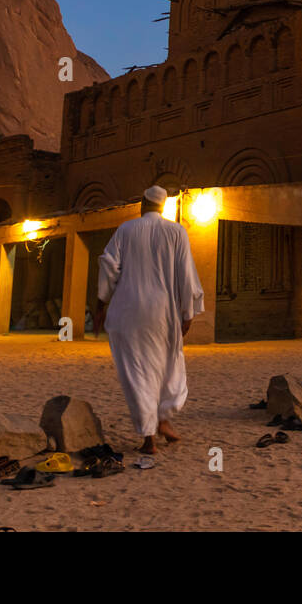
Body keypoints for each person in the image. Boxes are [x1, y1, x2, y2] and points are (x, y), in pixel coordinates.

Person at [96, 186, 205, 455]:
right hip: (163, 312)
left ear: (142, 204)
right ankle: (162, 420)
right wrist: (188, 312)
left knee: (138, 372)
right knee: (168, 365)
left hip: (128, 311)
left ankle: (151, 436)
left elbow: (109, 266)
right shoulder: (177, 231)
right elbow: (186, 273)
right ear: (163, 206)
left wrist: (100, 303)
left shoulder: (126, 229)